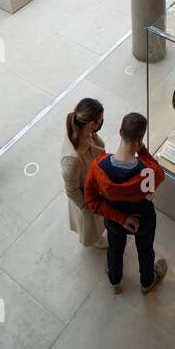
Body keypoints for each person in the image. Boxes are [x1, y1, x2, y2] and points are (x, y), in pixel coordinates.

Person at [84, 112, 168, 294]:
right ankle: (147, 281)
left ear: (120, 132)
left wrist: (121, 218)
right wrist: (143, 151)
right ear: (139, 140)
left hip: (114, 221)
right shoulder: (147, 172)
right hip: (143, 220)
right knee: (145, 251)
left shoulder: (98, 166)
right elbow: (160, 173)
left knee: (115, 249)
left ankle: (115, 279)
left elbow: (91, 201)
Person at [60, 98, 108, 249]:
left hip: (94, 186)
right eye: (100, 120)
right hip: (86, 197)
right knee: (91, 225)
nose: (102, 123)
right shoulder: (72, 159)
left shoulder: (83, 132)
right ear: (90, 124)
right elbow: (72, 190)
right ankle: (95, 239)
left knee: (98, 220)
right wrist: (85, 207)